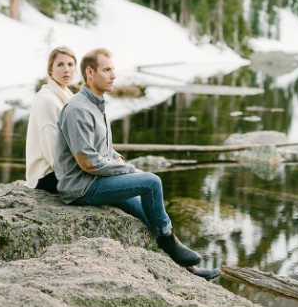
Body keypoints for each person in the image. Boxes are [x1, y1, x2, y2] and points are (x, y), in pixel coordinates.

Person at [54, 47, 203, 269]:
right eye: (106, 70)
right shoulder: (78, 109)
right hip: (82, 187)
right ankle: (169, 241)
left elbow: (106, 151)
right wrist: (129, 171)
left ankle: (187, 268)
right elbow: (87, 161)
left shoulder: (96, 104)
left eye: (113, 70)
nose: (113, 76)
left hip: (98, 180)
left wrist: (123, 163)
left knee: (147, 214)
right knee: (152, 182)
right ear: (90, 73)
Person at [25, 45, 77, 193]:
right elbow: (54, 154)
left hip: (61, 171)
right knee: (114, 184)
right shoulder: (47, 100)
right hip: (47, 176)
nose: (66, 69)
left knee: (118, 184)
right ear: (50, 70)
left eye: (70, 64)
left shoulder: (65, 96)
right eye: (60, 64)